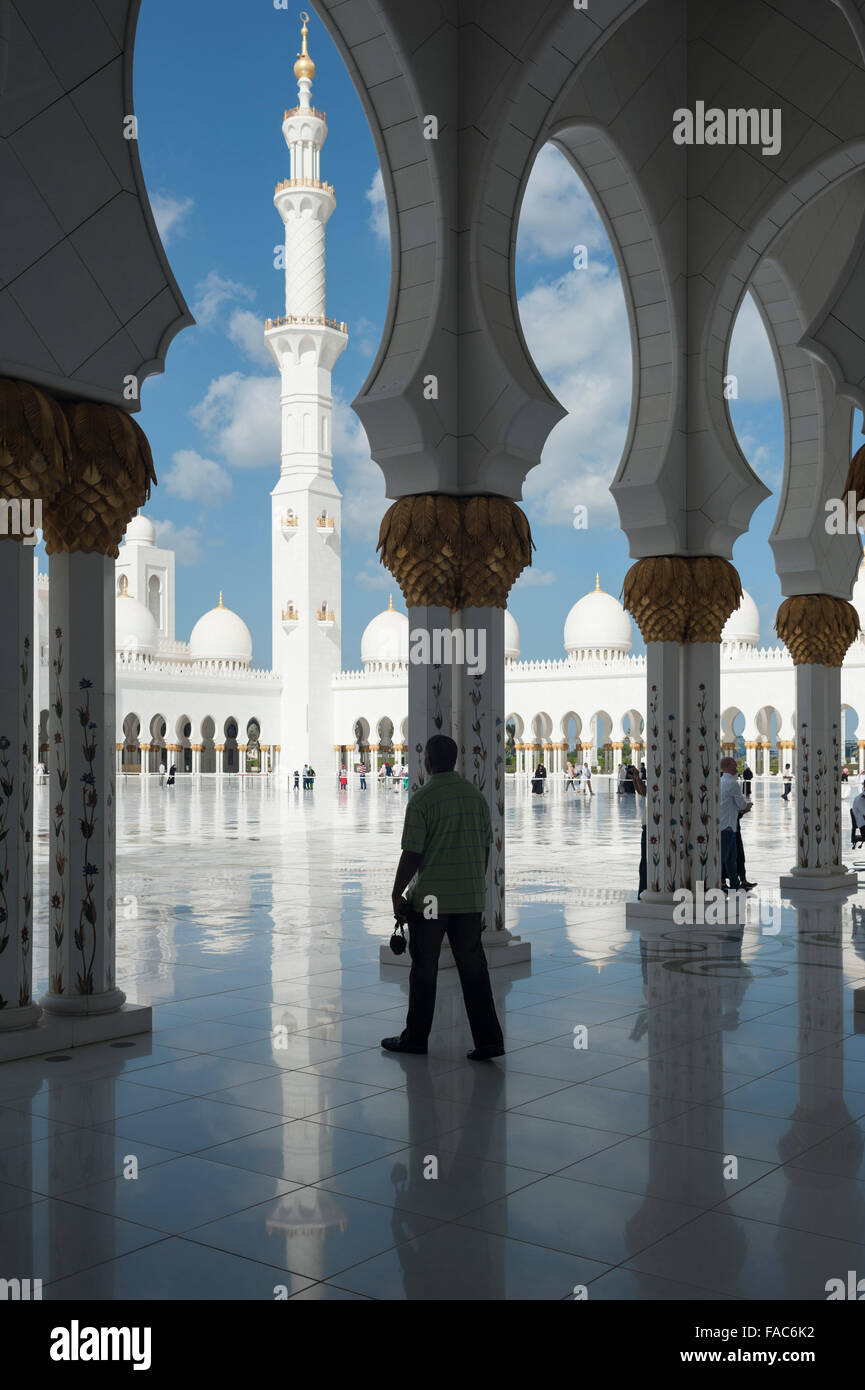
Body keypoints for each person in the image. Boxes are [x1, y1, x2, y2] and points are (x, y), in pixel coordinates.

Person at [383, 734, 504, 1061]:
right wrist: (476, 885)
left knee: (425, 965)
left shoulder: (423, 800)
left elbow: (412, 853)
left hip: (433, 900)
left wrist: (397, 893)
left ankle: (416, 1038)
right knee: (473, 967)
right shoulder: (475, 798)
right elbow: (485, 849)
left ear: (428, 762)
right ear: (455, 761)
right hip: (468, 898)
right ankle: (489, 1040)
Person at [721, 756, 752, 890]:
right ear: (728, 766)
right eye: (734, 765)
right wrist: (748, 806)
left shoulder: (720, 781)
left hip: (725, 825)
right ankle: (726, 884)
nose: (736, 767)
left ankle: (734, 884)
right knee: (727, 858)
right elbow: (741, 805)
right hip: (729, 826)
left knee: (730, 858)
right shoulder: (732, 783)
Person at [629, 764, 647, 897]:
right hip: (648, 826)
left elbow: (645, 792)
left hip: (652, 827)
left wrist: (637, 778)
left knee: (646, 862)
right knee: (644, 863)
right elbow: (641, 791)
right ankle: (642, 891)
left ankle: (644, 890)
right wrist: (636, 778)